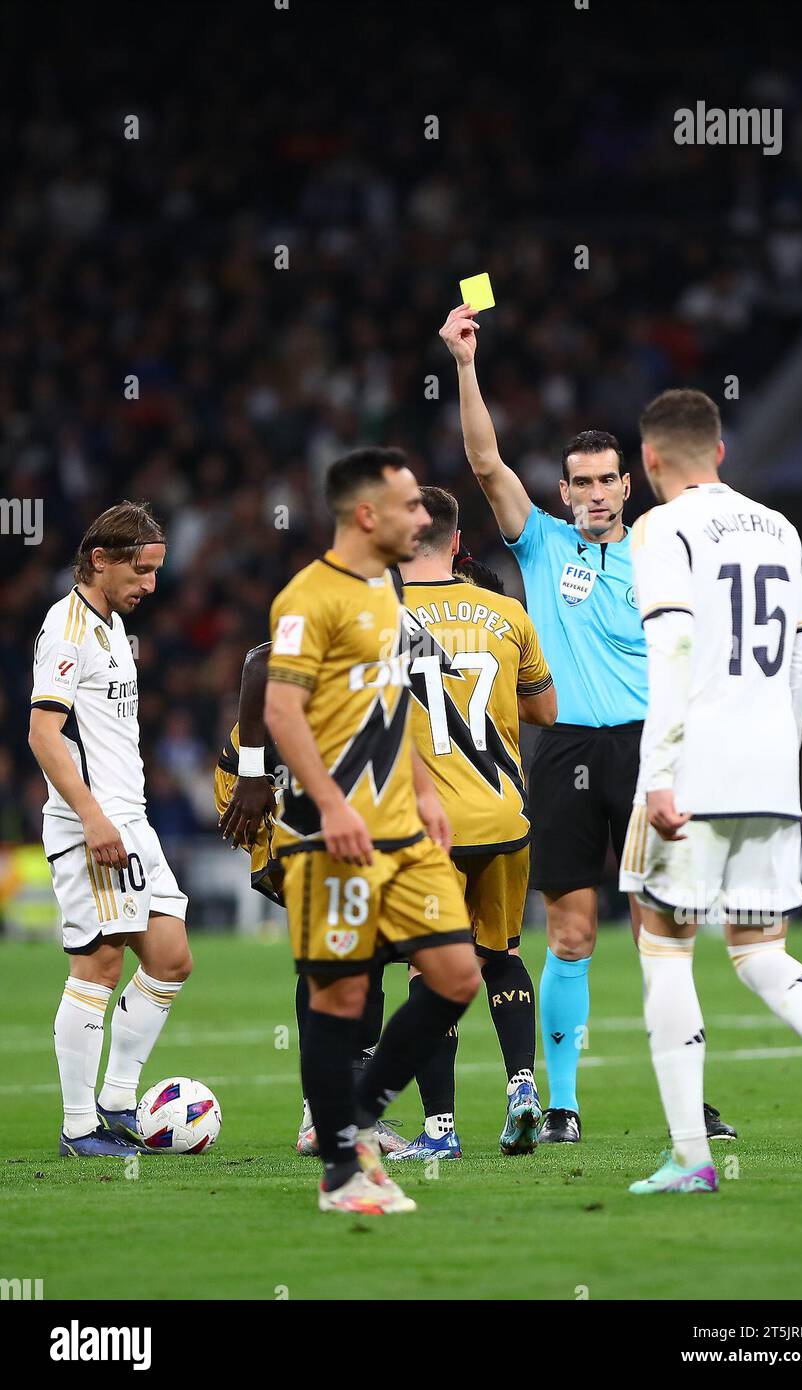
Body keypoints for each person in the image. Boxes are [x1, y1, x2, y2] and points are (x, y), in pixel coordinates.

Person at [439, 303, 736, 1144]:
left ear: (627, 483)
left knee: (661, 929)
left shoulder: (662, 544)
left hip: (649, 750)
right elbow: (484, 458)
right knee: (570, 933)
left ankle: (690, 1104)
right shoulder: (540, 544)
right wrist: (465, 364)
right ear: (564, 491)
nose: (598, 492)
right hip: (566, 747)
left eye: (610, 479)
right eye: (584, 482)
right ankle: (561, 1106)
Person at [621, 388, 802, 1194]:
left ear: (650, 460)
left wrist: (658, 775)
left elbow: (674, 650)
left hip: (691, 775)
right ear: (720, 451)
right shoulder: (781, 527)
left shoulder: (659, 529)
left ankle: (692, 1156)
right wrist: (776, 749)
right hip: (769, 771)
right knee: (761, 949)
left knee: (664, 947)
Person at [264, 446, 481, 1215]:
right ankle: (340, 1171)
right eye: (411, 506)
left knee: (458, 975)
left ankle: (356, 1115)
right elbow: (281, 712)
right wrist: (330, 806)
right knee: (342, 995)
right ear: (367, 515)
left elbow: (399, 706)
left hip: (402, 833)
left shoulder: (389, 590)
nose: (424, 520)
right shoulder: (306, 599)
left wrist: (424, 792)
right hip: (334, 837)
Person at [389, 486, 556, 1161]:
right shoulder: (507, 611)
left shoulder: (382, 617)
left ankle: (440, 1131)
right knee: (504, 955)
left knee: (429, 975)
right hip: (505, 815)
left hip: (429, 824)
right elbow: (544, 709)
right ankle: (521, 1089)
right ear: (458, 543)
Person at [28, 501, 192, 1157]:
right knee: (99, 962)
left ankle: (118, 1100)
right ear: (101, 559)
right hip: (92, 824)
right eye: (143, 571)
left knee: (171, 957)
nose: (150, 586)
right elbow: (43, 735)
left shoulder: (114, 629)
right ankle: (78, 1127)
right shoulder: (67, 628)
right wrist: (93, 817)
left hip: (132, 820)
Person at [214, 643, 406, 1156]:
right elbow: (257, 663)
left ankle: (335, 1110)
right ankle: (327, 1115)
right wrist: (254, 774)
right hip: (262, 789)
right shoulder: (343, 621)